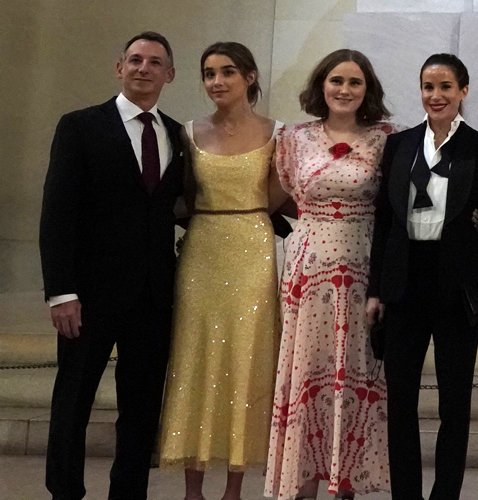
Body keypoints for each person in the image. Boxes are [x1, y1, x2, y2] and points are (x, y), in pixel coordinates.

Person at [39, 31, 184, 500]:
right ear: (118, 67)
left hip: (154, 296)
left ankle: (129, 492)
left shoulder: (178, 135)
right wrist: (61, 291)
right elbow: (57, 212)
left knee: (141, 406)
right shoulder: (80, 126)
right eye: (135, 60)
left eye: (155, 62)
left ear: (169, 74)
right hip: (89, 295)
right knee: (73, 401)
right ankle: (64, 491)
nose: (144, 68)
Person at [367, 53, 478, 500]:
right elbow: (384, 222)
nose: (436, 95)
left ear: (463, 91)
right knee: (401, 403)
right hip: (405, 282)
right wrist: (375, 289)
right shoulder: (400, 145)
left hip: (457, 284)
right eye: (429, 87)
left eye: (446, 87)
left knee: (454, 404)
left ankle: (445, 493)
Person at [265, 49, 395, 499]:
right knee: (307, 373)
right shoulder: (294, 139)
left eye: (355, 82)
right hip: (308, 269)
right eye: (336, 80)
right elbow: (275, 199)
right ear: (321, 84)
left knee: (354, 375)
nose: (344, 90)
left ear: (367, 90)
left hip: (362, 269)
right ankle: (301, 487)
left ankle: (346, 487)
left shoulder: (386, 139)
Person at [156, 41, 282, 500]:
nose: (217, 81)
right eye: (209, 73)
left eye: (228, 71)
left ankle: (234, 485)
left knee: (245, 361)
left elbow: (274, 199)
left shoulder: (277, 132)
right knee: (195, 356)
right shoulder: (188, 132)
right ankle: (193, 487)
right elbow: (185, 199)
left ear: (249, 77)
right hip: (202, 249)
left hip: (252, 247)